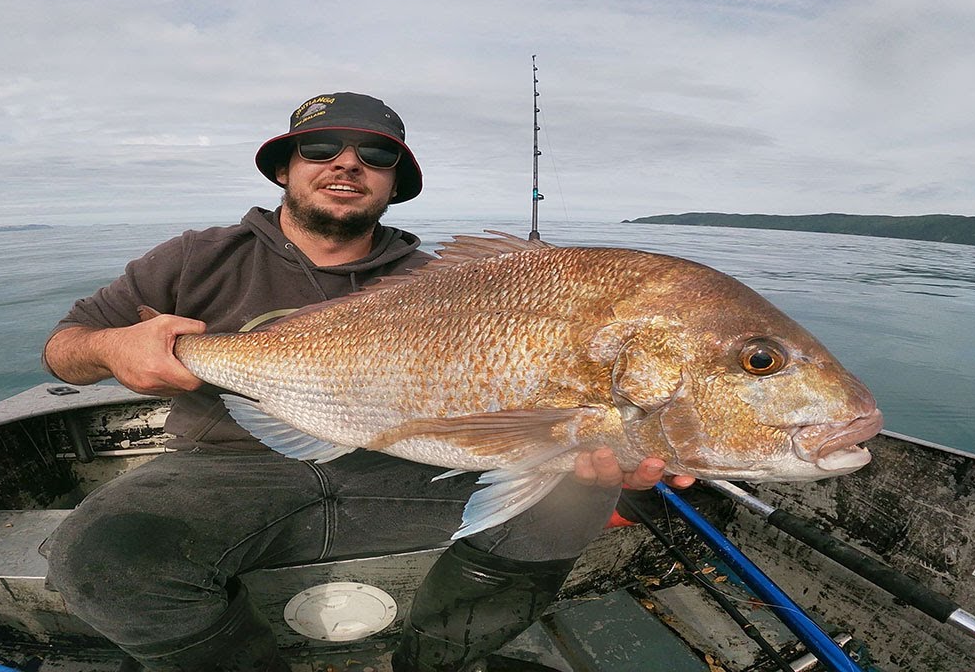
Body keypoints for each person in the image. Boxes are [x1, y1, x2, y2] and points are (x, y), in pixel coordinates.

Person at [42, 92, 694, 672]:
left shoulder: (445, 283)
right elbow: (65, 350)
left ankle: (437, 659)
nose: (347, 164)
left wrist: (603, 445)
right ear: (284, 169)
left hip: (400, 464)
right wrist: (110, 345)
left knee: (573, 499)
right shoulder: (195, 256)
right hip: (227, 469)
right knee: (102, 557)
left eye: (375, 155)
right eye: (321, 148)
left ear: (393, 181)